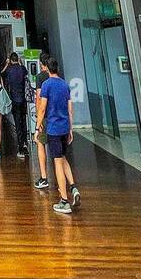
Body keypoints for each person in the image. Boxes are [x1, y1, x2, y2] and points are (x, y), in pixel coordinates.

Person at [36, 58, 80, 213]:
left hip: (54, 128)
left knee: (57, 163)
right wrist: (70, 129)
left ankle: (64, 200)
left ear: (47, 68)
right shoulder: (64, 84)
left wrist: (37, 128)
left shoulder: (47, 84)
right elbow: (70, 109)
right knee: (62, 158)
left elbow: (42, 108)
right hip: (64, 127)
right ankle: (73, 187)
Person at [1, 51, 29, 158]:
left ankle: (21, 146)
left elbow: (1, 74)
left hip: (15, 99)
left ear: (10, 60)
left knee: (17, 122)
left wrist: (7, 64)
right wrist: (21, 63)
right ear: (17, 59)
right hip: (23, 99)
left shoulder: (9, 70)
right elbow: (25, 72)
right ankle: (25, 142)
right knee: (23, 120)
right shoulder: (22, 69)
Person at [32, 51, 53, 190]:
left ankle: (44, 177)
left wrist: (37, 122)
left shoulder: (40, 77)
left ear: (41, 64)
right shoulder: (55, 77)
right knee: (59, 152)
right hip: (56, 115)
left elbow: (39, 99)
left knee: (40, 142)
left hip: (44, 116)